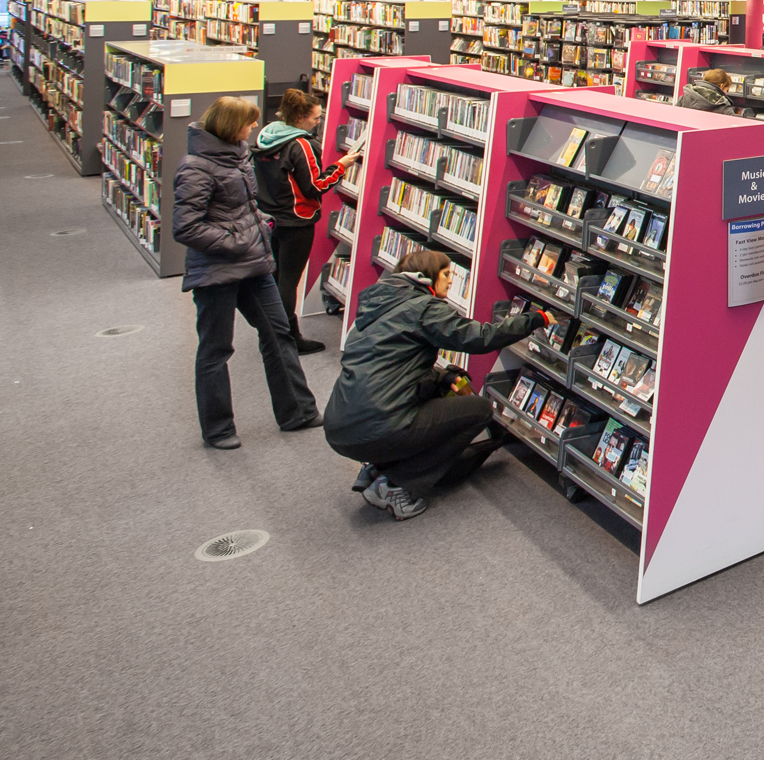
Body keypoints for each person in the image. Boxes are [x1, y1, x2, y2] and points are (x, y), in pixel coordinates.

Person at [323, 250, 549, 521]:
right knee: (479, 411)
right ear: (425, 276)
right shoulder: (423, 307)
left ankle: (377, 467)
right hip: (378, 426)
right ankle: (397, 484)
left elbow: (394, 368)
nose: (451, 281)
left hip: (339, 426)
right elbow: (480, 338)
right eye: (446, 274)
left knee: (442, 392)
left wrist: (441, 377)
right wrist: (535, 319)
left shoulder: (378, 304)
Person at [176, 95, 322, 449]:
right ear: (230, 127)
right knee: (216, 349)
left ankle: (298, 412)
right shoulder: (195, 168)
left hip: (254, 264)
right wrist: (238, 241)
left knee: (278, 332)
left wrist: (260, 226)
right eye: (248, 122)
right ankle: (219, 428)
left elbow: (245, 206)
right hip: (217, 269)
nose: (254, 127)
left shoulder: (238, 154)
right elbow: (186, 228)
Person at [252, 86, 362, 355]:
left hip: (270, 215)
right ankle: (289, 338)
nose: (317, 123)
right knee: (290, 280)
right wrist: (342, 166)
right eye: (315, 118)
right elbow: (316, 186)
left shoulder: (268, 134)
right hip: (297, 219)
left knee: (277, 276)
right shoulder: (301, 144)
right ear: (301, 118)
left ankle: (271, 331)